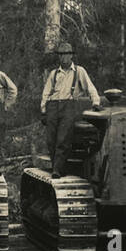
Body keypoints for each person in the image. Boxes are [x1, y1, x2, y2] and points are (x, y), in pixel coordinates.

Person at [40, 41, 101, 176]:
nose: (63, 58)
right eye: (61, 55)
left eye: (66, 54)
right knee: (51, 140)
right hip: (53, 106)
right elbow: (46, 93)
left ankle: (57, 169)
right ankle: (57, 166)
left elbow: (90, 88)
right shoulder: (54, 74)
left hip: (69, 106)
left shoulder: (79, 71)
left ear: (71, 56)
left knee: (63, 139)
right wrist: (43, 111)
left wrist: (96, 102)